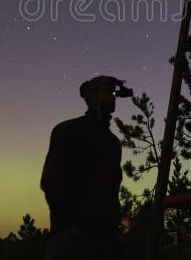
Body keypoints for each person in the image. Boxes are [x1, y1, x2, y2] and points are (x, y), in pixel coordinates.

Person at [41, 75, 129, 260]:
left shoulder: (113, 143)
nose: (114, 97)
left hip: (105, 242)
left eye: (115, 93)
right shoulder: (67, 131)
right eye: (110, 92)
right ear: (95, 94)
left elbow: (112, 188)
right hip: (71, 244)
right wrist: (72, 228)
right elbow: (50, 184)